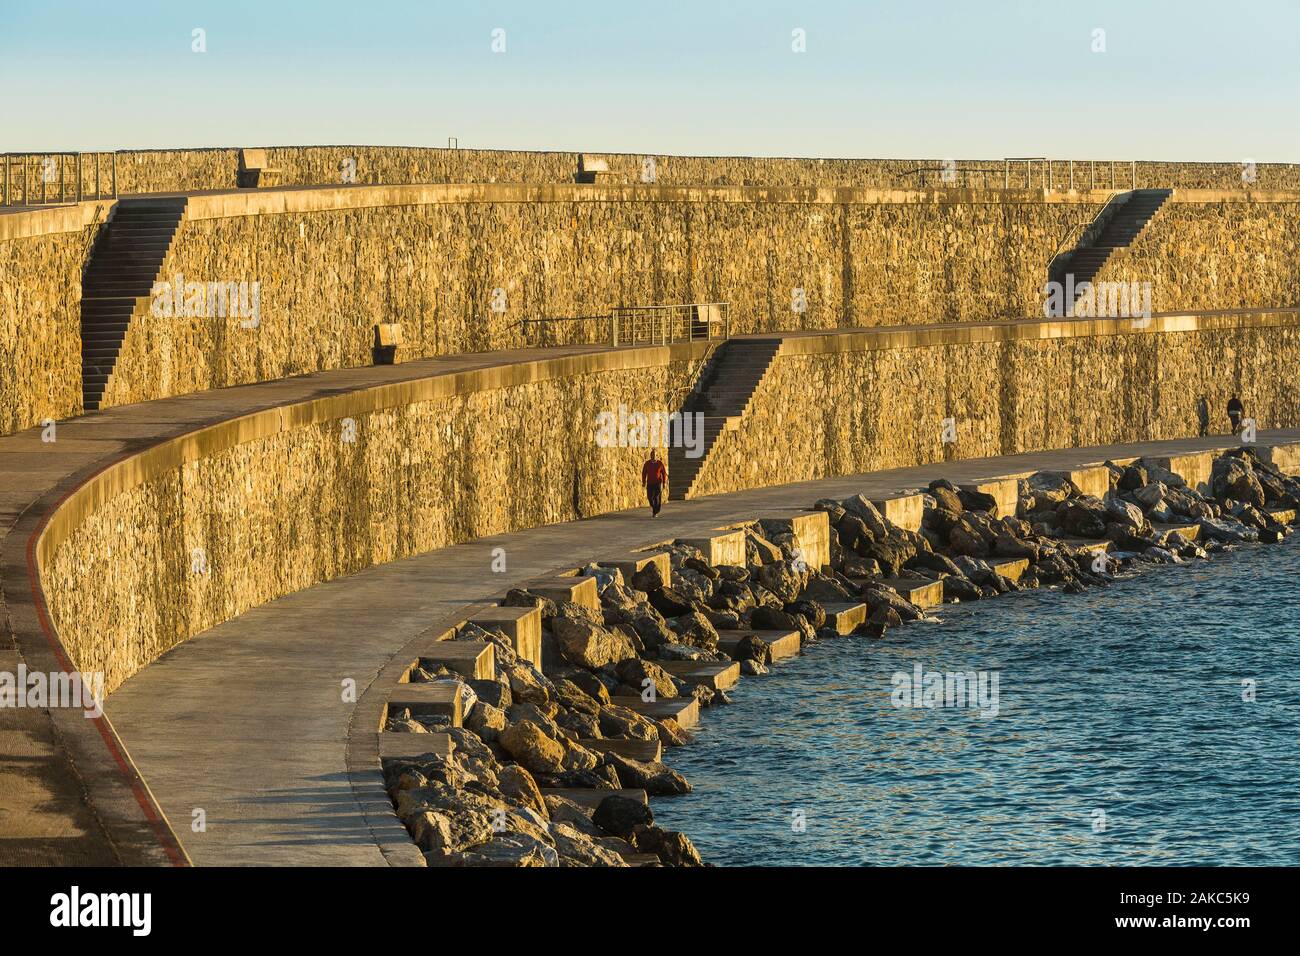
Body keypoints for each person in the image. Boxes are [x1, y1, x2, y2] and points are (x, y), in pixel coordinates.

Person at [641, 449, 668, 517]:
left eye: (654, 455)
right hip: (650, 483)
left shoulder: (660, 463)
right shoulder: (647, 463)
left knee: (657, 497)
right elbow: (644, 473)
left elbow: (664, 473)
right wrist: (644, 482)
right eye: (651, 454)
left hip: (658, 483)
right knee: (650, 497)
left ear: (657, 455)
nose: (653, 456)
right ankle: (654, 508)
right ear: (650, 455)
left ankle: (655, 512)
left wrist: (664, 483)